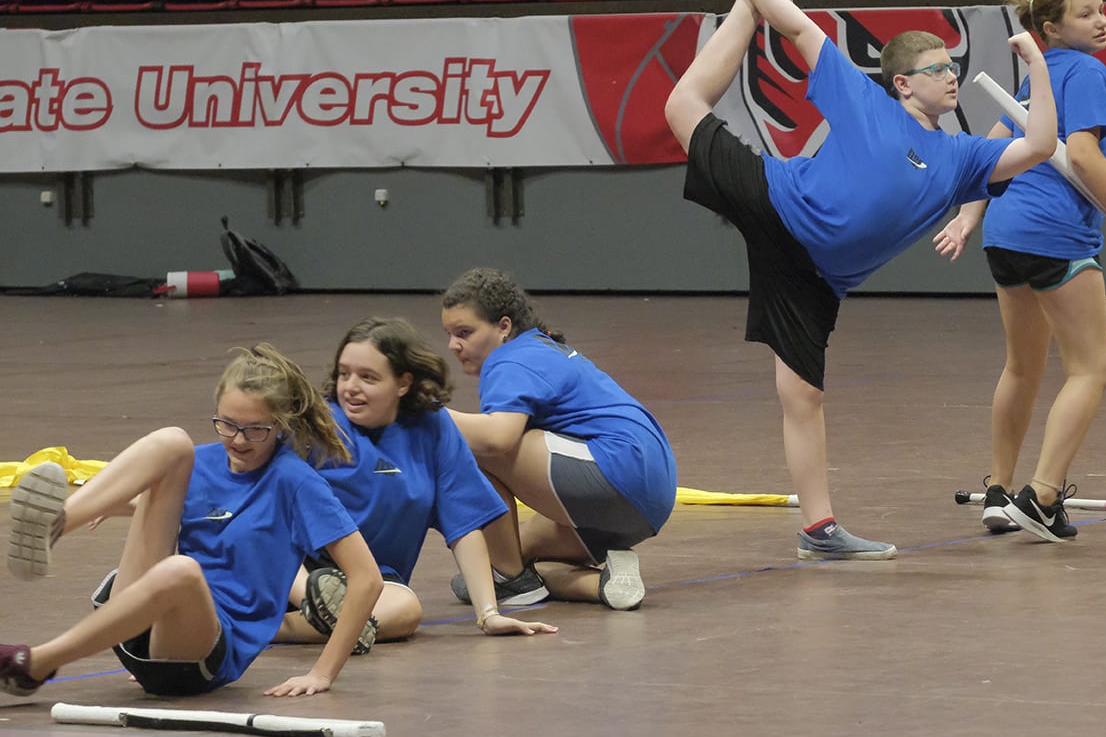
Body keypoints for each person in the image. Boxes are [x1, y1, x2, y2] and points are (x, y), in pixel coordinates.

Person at [661, 0, 1059, 560]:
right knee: (681, 106)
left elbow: (1039, 145)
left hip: (815, 277)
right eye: (936, 70)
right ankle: (742, 2)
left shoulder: (960, 157)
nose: (951, 78)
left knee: (802, 393)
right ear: (903, 83)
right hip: (778, 201)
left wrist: (1036, 65)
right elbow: (797, 28)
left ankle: (818, 531)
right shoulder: (860, 96)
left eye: (953, 67)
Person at [1, 344, 382, 699]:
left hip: (203, 657)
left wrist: (323, 673)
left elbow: (367, 579)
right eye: (227, 424)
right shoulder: (202, 461)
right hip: (144, 626)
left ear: (281, 426)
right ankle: (52, 526)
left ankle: (36, 663)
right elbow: (197, 505)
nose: (238, 440)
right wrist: (123, 504)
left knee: (182, 569)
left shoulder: (295, 481)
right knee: (172, 442)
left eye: (256, 430)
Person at [933, 0, 1106, 543]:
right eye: (1086, 14)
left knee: (1023, 366)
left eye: (1102, 10)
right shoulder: (1085, 71)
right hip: (1056, 234)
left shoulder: (1035, 79)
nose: (1101, 20)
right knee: (1092, 366)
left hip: (1007, 236)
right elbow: (1083, 155)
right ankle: (1043, 496)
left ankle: (1000, 492)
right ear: (1051, 28)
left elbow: (993, 149)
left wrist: (969, 217)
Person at [275, 317, 558, 649]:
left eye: (368, 377)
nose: (351, 386)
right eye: (344, 373)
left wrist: (488, 613)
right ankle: (300, 621)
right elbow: (271, 520)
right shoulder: (317, 426)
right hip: (293, 572)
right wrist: (311, 592)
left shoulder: (433, 427)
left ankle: (274, 628)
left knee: (405, 610)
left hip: (371, 584)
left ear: (403, 383)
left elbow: (464, 526)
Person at [440, 268, 676, 611]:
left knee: (470, 447)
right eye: (449, 334)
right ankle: (602, 585)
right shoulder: (540, 345)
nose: (453, 345)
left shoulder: (510, 359)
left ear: (503, 327)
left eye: (464, 332)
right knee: (515, 558)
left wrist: (425, 412)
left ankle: (510, 581)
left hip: (618, 473)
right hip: (650, 498)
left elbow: (497, 439)